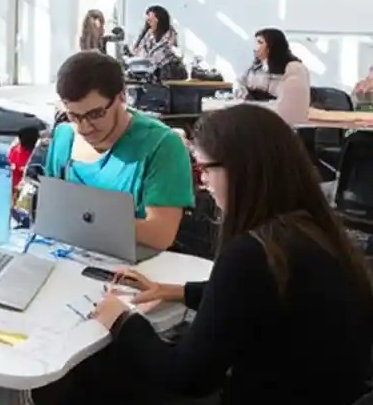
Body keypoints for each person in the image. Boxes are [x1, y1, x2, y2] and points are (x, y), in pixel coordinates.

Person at [75, 105, 373, 404]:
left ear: (241, 169)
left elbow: (187, 377)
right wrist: (175, 291)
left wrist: (121, 319)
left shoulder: (252, 253)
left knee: (106, 379)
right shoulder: (312, 231)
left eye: (205, 170)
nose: (204, 183)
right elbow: (253, 296)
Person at [45, 51, 194, 250]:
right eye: (74, 116)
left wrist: (84, 221)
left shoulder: (161, 145)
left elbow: (160, 233)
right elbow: (49, 210)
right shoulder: (65, 137)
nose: (84, 128)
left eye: (95, 114)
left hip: (133, 270)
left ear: (122, 96)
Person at [235, 27, 310, 124]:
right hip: (255, 115)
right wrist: (244, 94)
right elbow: (239, 82)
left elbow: (289, 101)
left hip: (277, 121)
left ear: (273, 45)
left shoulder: (294, 68)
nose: (255, 48)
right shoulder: (256, 67)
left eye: (260, 43)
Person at [132, 5, 186, 80]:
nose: (149, 23)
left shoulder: (171, 35)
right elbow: (138, 52)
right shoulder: (147, 35)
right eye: (148, 20)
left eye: (151, 20)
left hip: (168, 74)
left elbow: (174, 53)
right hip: (148, 75)